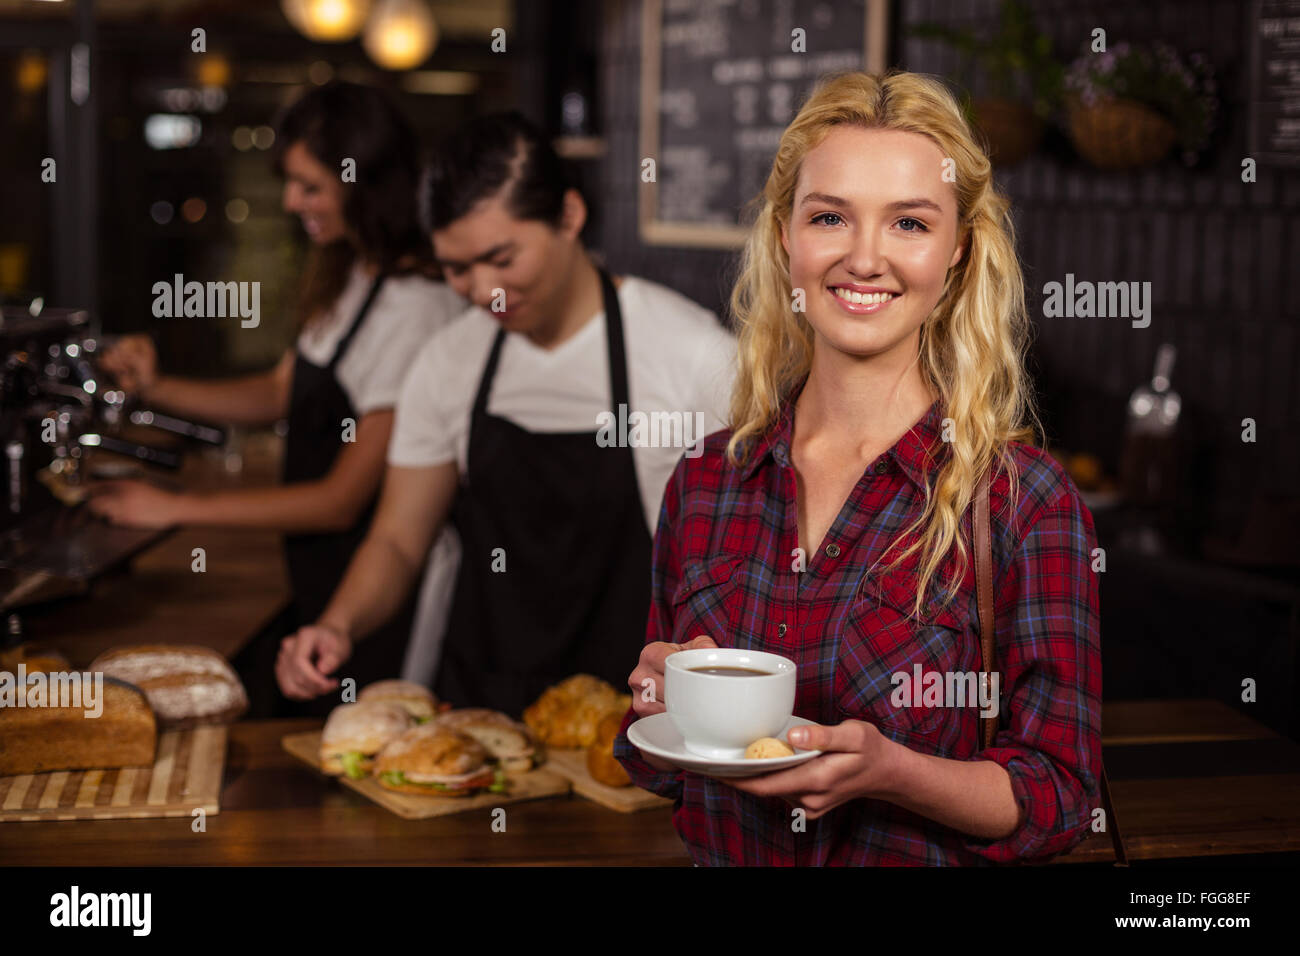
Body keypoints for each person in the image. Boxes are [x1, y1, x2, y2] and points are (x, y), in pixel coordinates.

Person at [614, 71, 1104, 866]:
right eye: (830, 216)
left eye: (910, 222)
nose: (865, 258)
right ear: (785, 237)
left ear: (958, 250)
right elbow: (655, 764)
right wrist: (653, 697)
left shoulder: (1023, 501)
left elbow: (1058, 797)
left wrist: (893, 772)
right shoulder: (706, 479)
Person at [273, 111, 736, 717]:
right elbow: (397, 540)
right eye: (456, 269)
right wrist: (337, 625)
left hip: (634, 717)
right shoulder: (448, 360)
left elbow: (738, 563)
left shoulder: (695, 356)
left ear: (569, 216)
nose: (482, 288)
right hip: (478, 707)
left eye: (501, 257)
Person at [93, 82, 466, 716]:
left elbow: (339, 502)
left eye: (310, 186)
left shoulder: (417, 309)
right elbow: (277, 392)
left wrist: (173, 507)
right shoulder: (352, 272)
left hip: (373, 598)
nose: (292, 201)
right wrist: (154, 389)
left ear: (365, 183)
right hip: (316, 580)